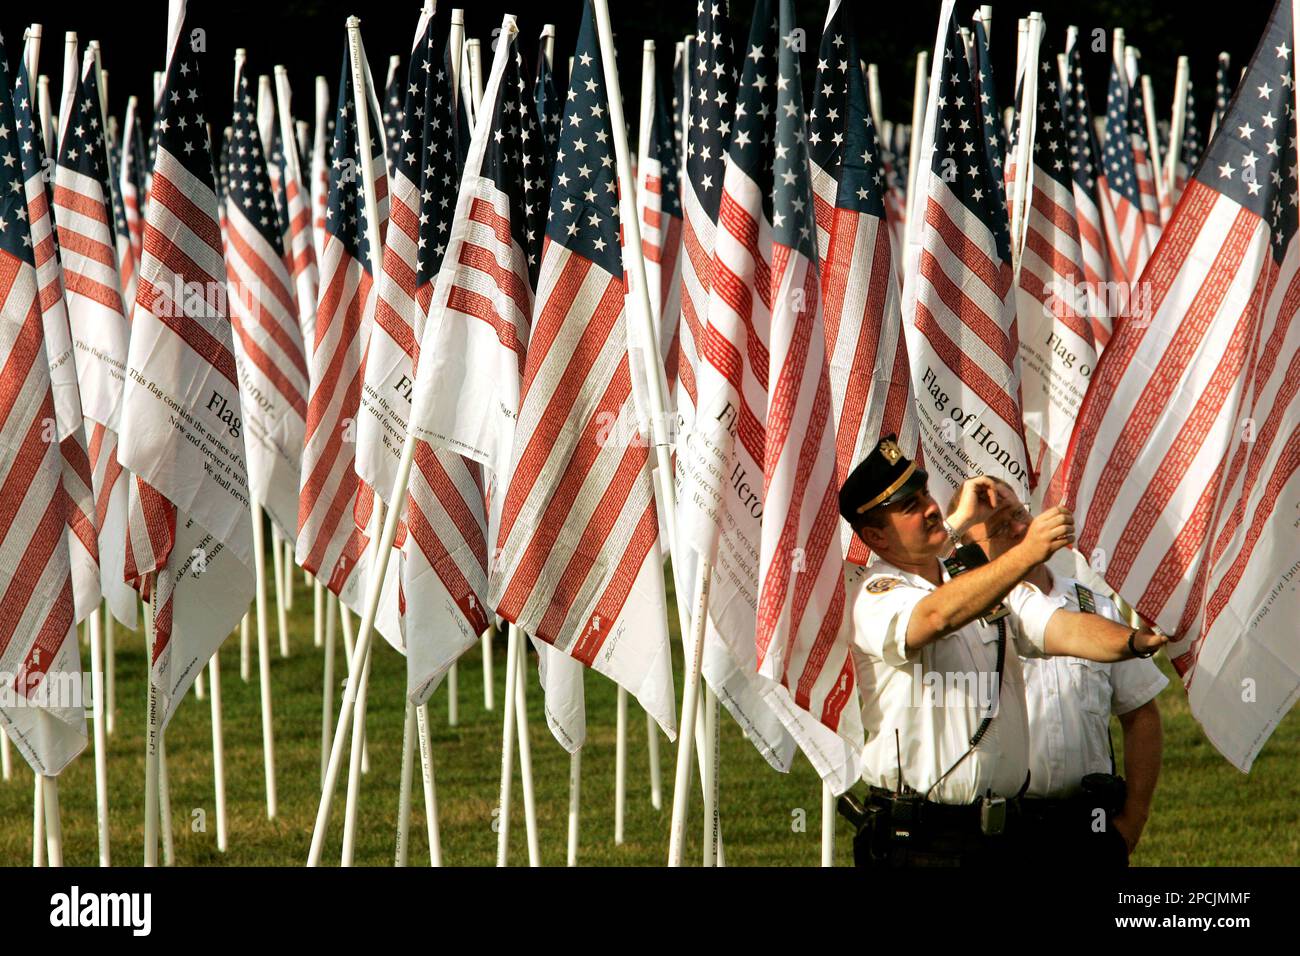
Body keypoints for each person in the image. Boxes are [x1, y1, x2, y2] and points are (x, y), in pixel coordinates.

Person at [835, 436, 1167, 867]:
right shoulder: (875, 594)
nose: (930, 508)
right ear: (876, 535)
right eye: (910, 508)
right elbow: (934, 618)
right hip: (919, 842)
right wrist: (1027, 550)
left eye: (924, 496)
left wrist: (1137, 643)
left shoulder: (980, 585)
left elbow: (1061, 629)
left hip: (999, 840)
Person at [955, 482, 1166, 866]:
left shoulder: (1095, 606)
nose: (1021, 530)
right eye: (1001, 527)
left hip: (1087, 825)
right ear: (970, 550)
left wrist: (1133, 820)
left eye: (1019, 514)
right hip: (1000, 830)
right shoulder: (966, 623)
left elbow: (1141, 715)